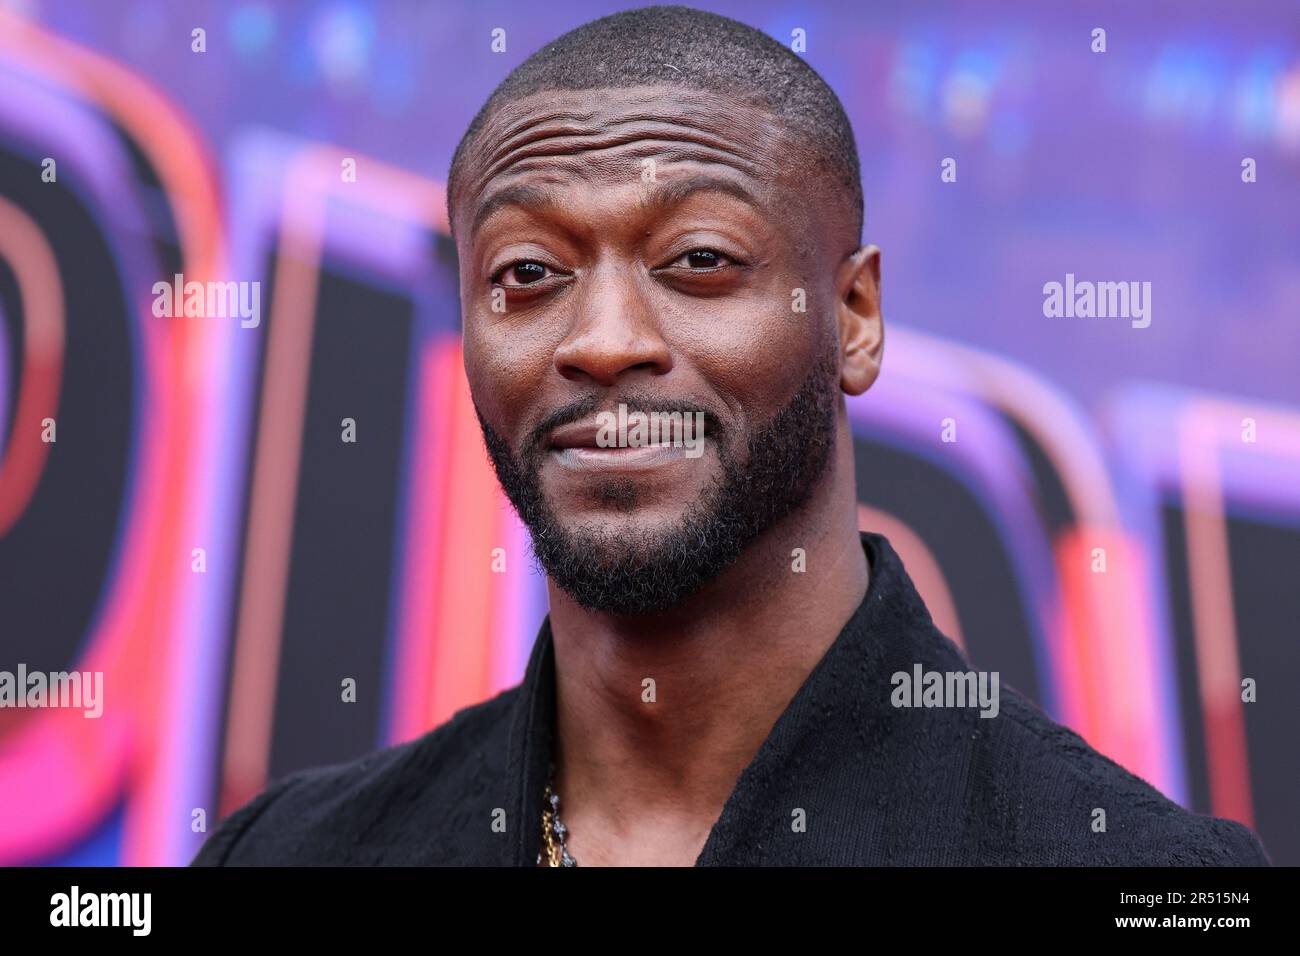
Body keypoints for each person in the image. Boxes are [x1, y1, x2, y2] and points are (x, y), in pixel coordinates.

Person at [192, 4, 1270, 867]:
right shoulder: (292, 851)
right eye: (528, 274)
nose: (603, 341)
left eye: (699, 260)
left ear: (853, 319)